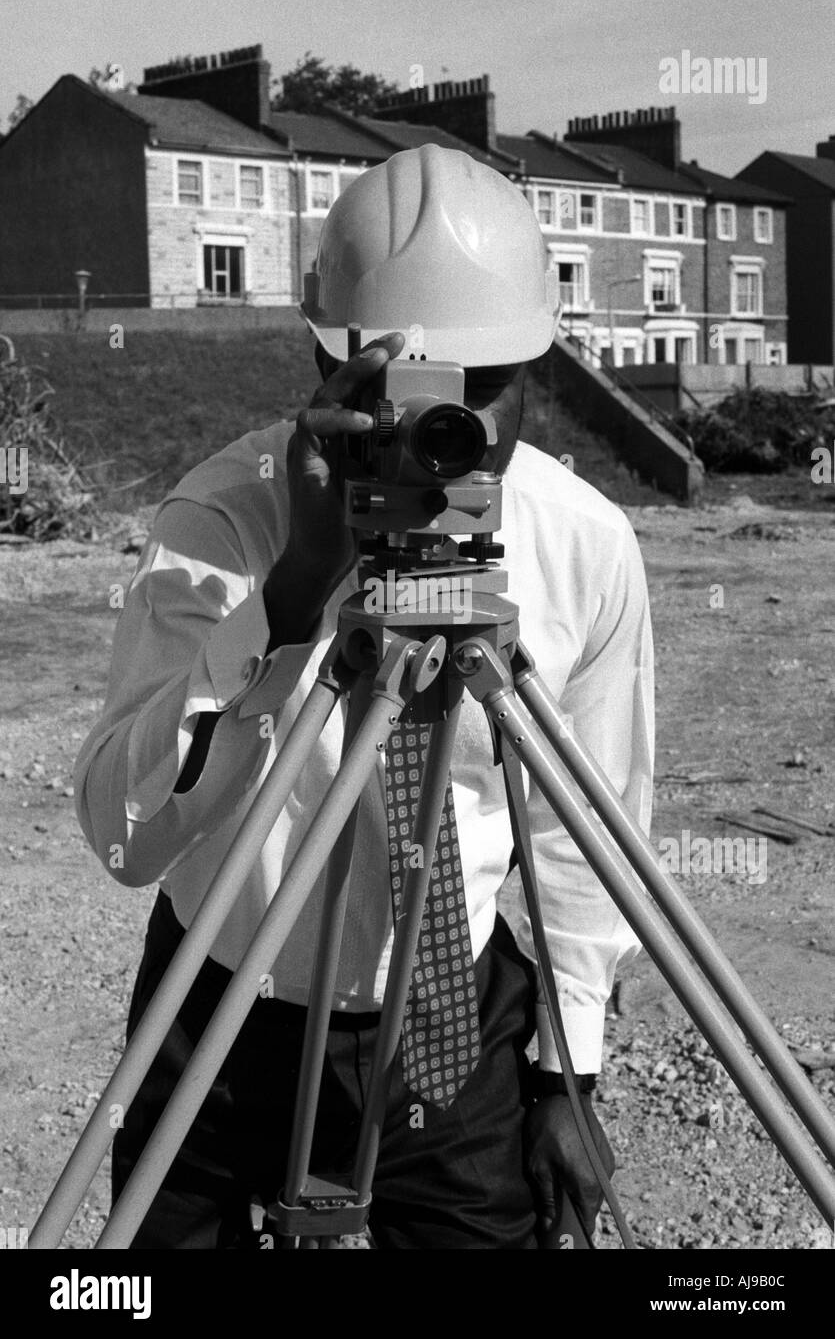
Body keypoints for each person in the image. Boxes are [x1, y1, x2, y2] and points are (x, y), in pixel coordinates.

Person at [75, 143, 654, 1250]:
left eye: (488, 390)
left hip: (452, 1020)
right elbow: (122, 832)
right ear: (325, 357)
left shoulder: (582, 544)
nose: (457, 433)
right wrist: (291, 599)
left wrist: (564, 1070)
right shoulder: (221, 524)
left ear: (540, 364)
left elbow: (586, 827)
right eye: (413, 388)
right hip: (227, 1004)